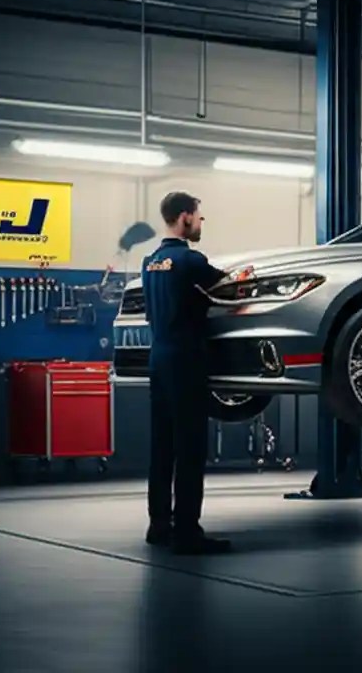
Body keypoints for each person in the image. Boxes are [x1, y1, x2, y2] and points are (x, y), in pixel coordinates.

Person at [141, 191, 232, 555]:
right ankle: (187, 532)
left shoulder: (150, 262)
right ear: (185, 217)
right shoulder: (192, 261)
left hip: (158, 359)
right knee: (191, 448)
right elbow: (228, 286)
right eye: (199, 216)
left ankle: (159, 525)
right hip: (186, 362)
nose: (201, 222)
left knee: (162, 448)